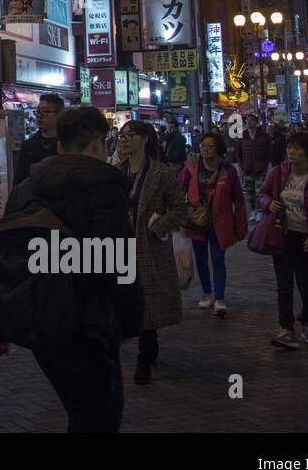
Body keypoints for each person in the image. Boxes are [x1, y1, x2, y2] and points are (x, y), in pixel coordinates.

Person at [0, 107, 142, 432]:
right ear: (99, 143)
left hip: (42, 321)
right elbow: (117, 263)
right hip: (88, 325)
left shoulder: (27, 188)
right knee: (100, 415)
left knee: (82, 410)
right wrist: (131, 320)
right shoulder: (105, 190)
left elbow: (3, 256)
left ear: (60, 144)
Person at [114, 120, 187, 385]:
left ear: (145, 139)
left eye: (130, 135)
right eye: (122, 135)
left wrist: (158, 227)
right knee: (127, 299)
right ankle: (147, 343)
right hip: (121, 246)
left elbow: (180, 208)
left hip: (149, 246)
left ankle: (144, 359)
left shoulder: (162, 173)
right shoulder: (117, 171)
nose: (124, 139)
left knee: (148, 301)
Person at [260, 131, 308, 349]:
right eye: (289, 147)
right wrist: (268, 204)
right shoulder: (278, 172)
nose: (291, 152)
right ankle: (286, 329)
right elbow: (263, 193)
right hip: (282, 235)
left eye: (297, 148)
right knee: (284, 285)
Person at [178, 132, 246, 318]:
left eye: (210, 146)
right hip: (195, 221)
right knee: (200, 260)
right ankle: (206, 293)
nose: (204, 149)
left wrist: (240, 225)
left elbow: (238, 199)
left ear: (219, 149)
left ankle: (220, 298)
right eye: (203, 146)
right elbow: (179, 190)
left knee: (218, 260)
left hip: (220, 222)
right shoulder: (191, 167)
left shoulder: (228, 170)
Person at [14, 93, 64, 187]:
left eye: (46, 111)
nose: (39, 115)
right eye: (38, 111)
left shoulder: (68, 144)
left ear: (59, 115)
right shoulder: (27, 146)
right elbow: (19, 182)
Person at [236, 115, 271, 217]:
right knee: (250, 192)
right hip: (247, 168)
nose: (249, 122)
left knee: (260, 192)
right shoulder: (242, 136)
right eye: (247, 121)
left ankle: (259, 211)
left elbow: (269, 152)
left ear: (256, 122)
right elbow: (239, 153)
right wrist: (240, 167)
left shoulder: (264, 136)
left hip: (261, 168)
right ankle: (252, 211)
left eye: (251, 120)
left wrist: (268, 164)